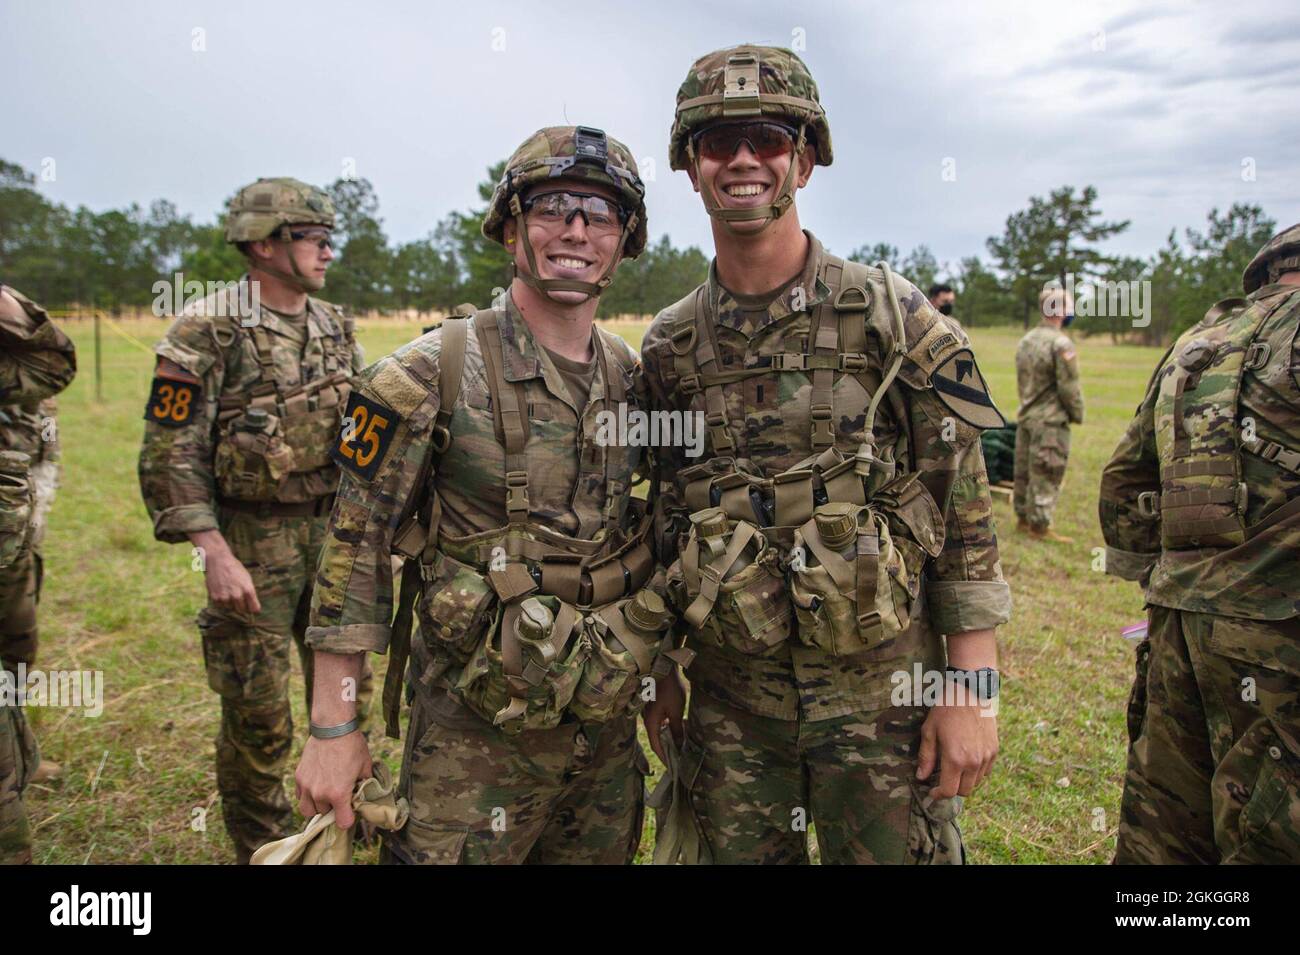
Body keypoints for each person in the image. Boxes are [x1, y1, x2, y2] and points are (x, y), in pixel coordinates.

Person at [639, 45, 1011, 864]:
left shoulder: (891, 314)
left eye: (767, 138)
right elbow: (661, 522)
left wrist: (972, 690)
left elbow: (963, 509)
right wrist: (660, 669)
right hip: (733, 707)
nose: (742, 159)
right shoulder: (667, 345)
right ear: (690, 166)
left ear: (803, 162)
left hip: (884, 705)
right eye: (716, 141)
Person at [294, 126, 672, 864]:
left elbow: (643, 542)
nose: (575, 230)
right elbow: (352, 561)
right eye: (553, 207)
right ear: (509, 226)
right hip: (473, 741)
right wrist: (334, 729)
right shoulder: (427, 373)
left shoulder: (633, 375)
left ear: (626, 241)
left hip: (603, 727)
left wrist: (661, 684)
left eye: (601, 214)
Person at [137, 178, 371, 863]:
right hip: (251, 543)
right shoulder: (202, 329)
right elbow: (168, 448)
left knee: (347, 702)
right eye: (314, 238)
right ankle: (264, 849)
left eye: (331, 239)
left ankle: (341, 835)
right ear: (264, 243)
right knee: (258, 720)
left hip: (331, 540)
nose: (329, 251)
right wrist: (212, 550)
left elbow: (362, 432)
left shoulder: (336, 325)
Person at [1101, 223, 1300, 864]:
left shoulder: (1200, 341)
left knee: (1165, 826)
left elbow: (1125, 484)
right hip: (1280, 636)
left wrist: (1173, 575)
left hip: (1178, 622)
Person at [0, 284, 77, 864]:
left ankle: (21, 754)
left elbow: (55, 365)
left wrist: (13, 308)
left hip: (14, 532)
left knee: (17, 647)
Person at [1013, 284, 1083, 542]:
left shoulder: (1027, 340)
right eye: (1068, 305)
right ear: (1058, 310)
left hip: (1027, 415)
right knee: (1047, 471)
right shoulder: (1061, 343)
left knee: (1024, 471)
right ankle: (1039, 525)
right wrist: (1076, 413)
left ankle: (1022, 517)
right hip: (1051, 419)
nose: (1071, 310)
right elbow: (1069, 386)